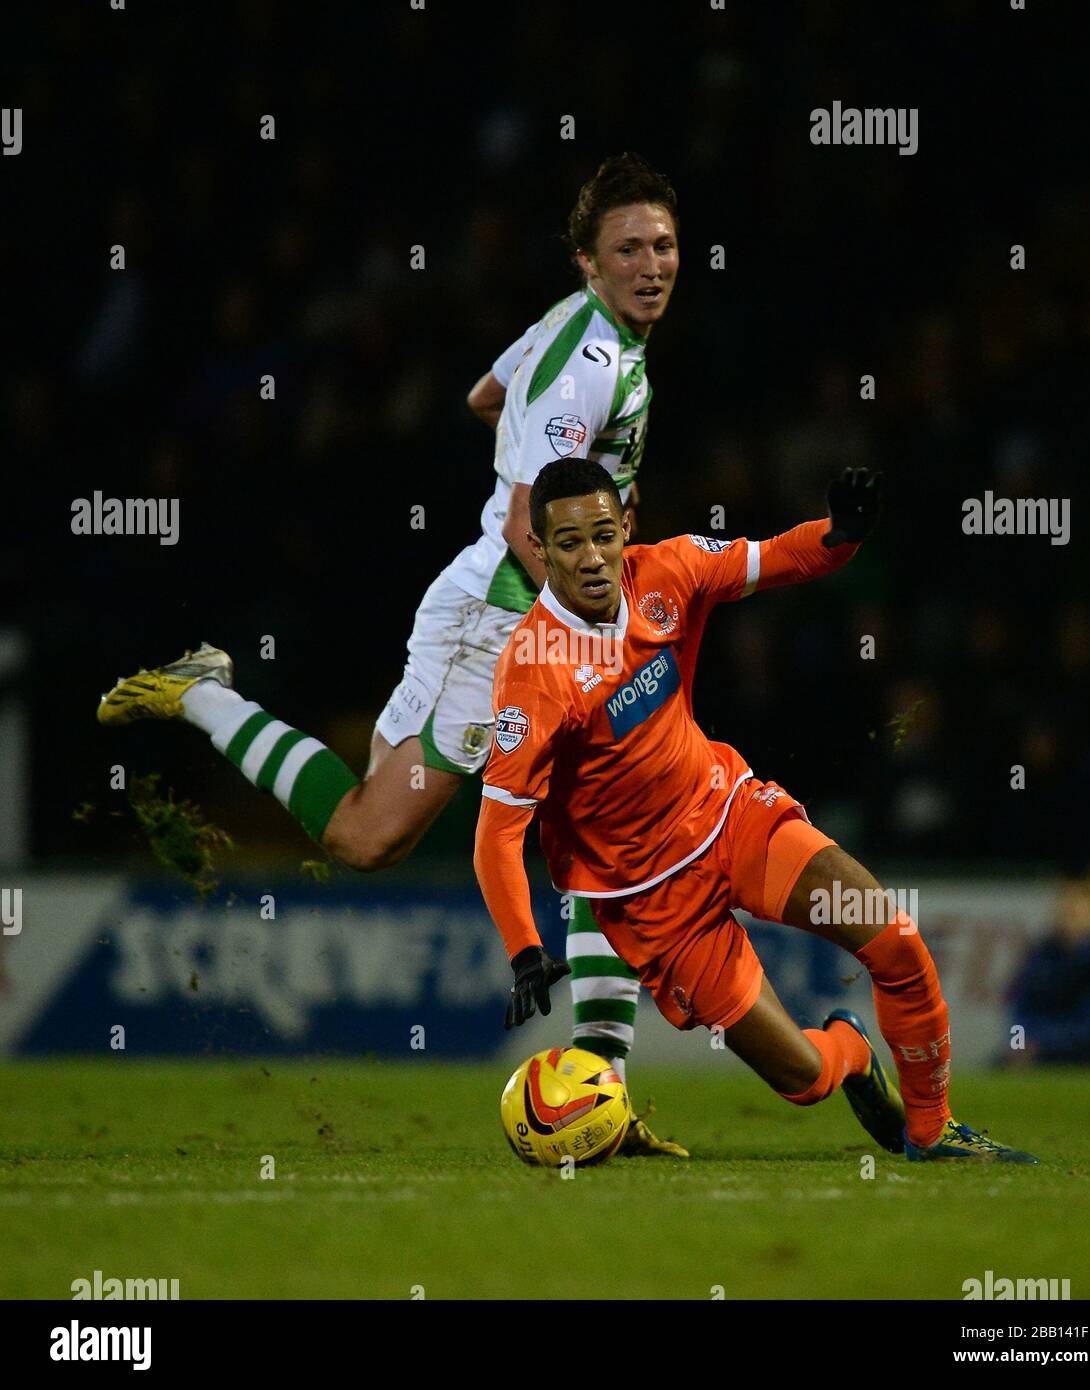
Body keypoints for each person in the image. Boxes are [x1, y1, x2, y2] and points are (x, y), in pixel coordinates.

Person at [96, 153, 687, 1154]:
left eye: (664, 245)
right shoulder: (593, 360)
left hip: (493, 608)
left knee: (571, 824)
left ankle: (603, 1098)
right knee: (382, 836)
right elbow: (520, 517)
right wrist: (590, 615)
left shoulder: (580, 330)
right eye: (627, 247)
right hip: (505, 622)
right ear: (589, 261)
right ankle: (205, 696)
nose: (650, 264)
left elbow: (481, 396)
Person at [473, 457, 1039, 1163]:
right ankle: (854, 1052)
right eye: (569, 543)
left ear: (625, 529)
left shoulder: (668, 571)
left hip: (729, 815)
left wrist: (844, 534)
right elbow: (497, 833)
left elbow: (780, 557)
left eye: (603, 535)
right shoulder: (531, 674)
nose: (592, 558)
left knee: (892, 938)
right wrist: (525, 950)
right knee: (803, 1079)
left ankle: (931, 1129)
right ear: (538, 549)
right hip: (651, 900)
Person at [1007, 869, 1090, 1066]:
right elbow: (1020, 1010)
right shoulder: (1041, 954)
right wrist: (1019, 1045)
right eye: (1064, 898)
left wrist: (1041, 1043)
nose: (1069, 906)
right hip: (1037, 1054)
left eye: (1079, 899)